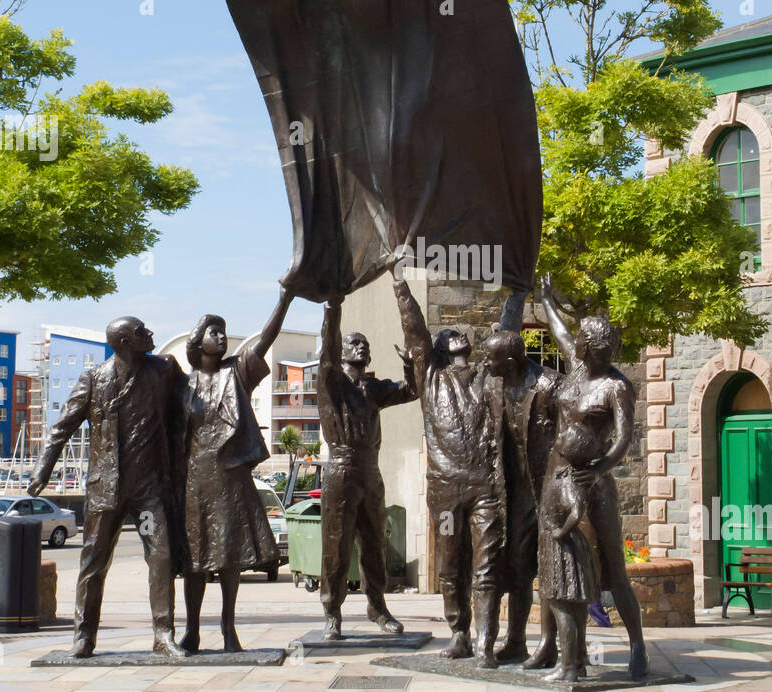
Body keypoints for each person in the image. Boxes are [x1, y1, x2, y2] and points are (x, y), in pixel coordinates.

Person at [392, 263, 526, 667]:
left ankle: (486, 642)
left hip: (485, 488)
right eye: (447, 334)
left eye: (461, 333)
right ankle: (459, 633)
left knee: (487, 565)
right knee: (450, 565)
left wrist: (518, 291)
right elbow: (415, 328)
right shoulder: (429, 375)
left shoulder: (489, 375)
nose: (457, 334)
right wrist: (399, 283)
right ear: (437, 348)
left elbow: (507, 329)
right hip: (446, 490)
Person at [29, 317, 187, 659]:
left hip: (148, 489)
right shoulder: (95, 379)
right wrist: (43, 469)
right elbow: (62, 427)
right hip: (106, 489)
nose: (151, 334)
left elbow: (190, 405)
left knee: (161, 557)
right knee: (93, 564)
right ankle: (83, 637)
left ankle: (163, 635)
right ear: (125, 342)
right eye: (143, 332)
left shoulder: (164, 370)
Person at [526, 276, 649, 683]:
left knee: (614, 564)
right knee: (555, 561)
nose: (574, 343)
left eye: (583, 341)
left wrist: (597, 470)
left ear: (596, 349)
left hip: (592, 482)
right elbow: (558, 329)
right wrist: (546, 297)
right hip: (556, 476)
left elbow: (624, 439)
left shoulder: (617, 386)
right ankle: (556, 649)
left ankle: (636, 646)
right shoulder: (577, 369)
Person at [180, 276, 295, 654]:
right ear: (198, 342)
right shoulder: (183, 386)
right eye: (214, 331)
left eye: (224, 331)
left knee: (230, 557)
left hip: (230, 476)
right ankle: (192, 630)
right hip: (195, 480)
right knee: (195, 560)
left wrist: (284, 298)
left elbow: (266, 338)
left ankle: (229, 628)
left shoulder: (237, 374)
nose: (221, 336)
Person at [317, 295, 416, 641]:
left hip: (370, 472)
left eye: (365, 344)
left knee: (375, 542)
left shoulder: (373, 388)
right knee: (336, 546)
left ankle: (378, 607)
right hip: (340, 469)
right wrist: (333, 308)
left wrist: (409, 364)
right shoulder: (331, 382)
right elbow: (327, 347)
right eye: (354, 343)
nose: (361, 348)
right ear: (342, 352)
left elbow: (411, 390)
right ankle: (332, 612)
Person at [482, 327, 559, 662]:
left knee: (552, 568)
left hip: (549, 490)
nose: (486, 364)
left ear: (511, 361)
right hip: (514, 493)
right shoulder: (493, 385)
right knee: (517, 568)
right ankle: (516, 640)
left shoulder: (551, 385)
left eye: (491, 359)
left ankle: (551, 645)